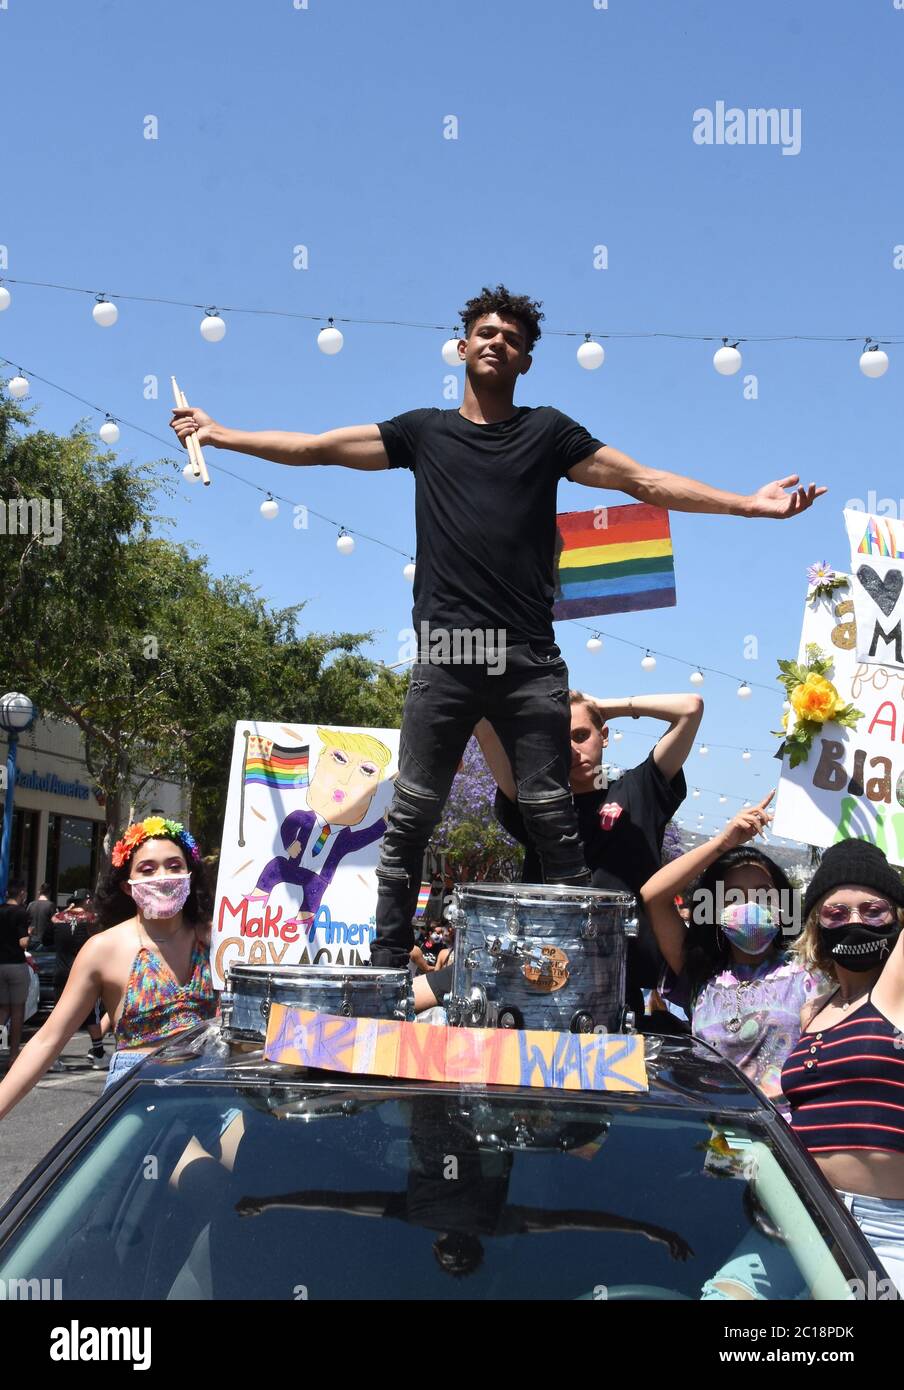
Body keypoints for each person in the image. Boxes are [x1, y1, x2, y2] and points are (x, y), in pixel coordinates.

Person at [171, 284, 826, 970]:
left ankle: (583, 975)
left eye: (511, 339)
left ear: (526, 362)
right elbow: (320, 448)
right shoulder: (424, 432)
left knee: (553, 820)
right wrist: (222, 434)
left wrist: (747, 505)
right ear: (462, 347)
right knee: (411, 819)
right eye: (485, 332)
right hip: (447, 658)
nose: (496, 342)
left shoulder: (547, 434)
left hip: (529, 661)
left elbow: (644, 481)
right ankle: (387, 968)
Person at [422, 691, 701, 1022]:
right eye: (558, 739)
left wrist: (605, 707)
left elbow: (690, 708)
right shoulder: (539, 802)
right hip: (533, 969)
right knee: (411, 995)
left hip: (611, 982)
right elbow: (485, 728)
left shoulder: (638, 789)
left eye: (581, 735)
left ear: (604, 735)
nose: (572, 749)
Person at [0, 818, 216, 1119]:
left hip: (214, 1094)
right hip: (141, 1107)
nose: (163, 876)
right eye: (148, 869)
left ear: (190, 876)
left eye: (174, 865)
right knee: (196, 1167)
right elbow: (48, 1040)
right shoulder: (103, 949)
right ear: (128, 887)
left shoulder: (217, 940)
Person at [641, 794, 823, 1110]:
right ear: (712, 910)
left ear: (785, 904)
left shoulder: (808, 971)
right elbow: (653, 895)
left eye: (764, 895)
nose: (750, 906)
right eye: (733, 898)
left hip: (786, 1141)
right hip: (714, 1140)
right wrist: (722, 843)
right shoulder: (700, 976)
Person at [781, 839, 904, 1294]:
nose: (855, 922)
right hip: (800, 1217)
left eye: (874, 910)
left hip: (884, 1231)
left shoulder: (895, 995)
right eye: (836, 913)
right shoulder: (814, 1009)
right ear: (816, 925)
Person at [0, 882, 31, 1066]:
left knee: (3, 1010)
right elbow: (23, 943)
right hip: (16, 965)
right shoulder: (21, 912)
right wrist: (30, 934)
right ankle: (13, 1055)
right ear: (21, 893)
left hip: (0, 964)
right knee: (18, 1010)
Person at [25, 882, 55, 949]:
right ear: (49, 892)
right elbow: (54, 924)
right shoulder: (50, 905)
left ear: (39, 892)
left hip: (31, 940)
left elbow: (25, 921)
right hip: (44, 942)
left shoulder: (31, 904)